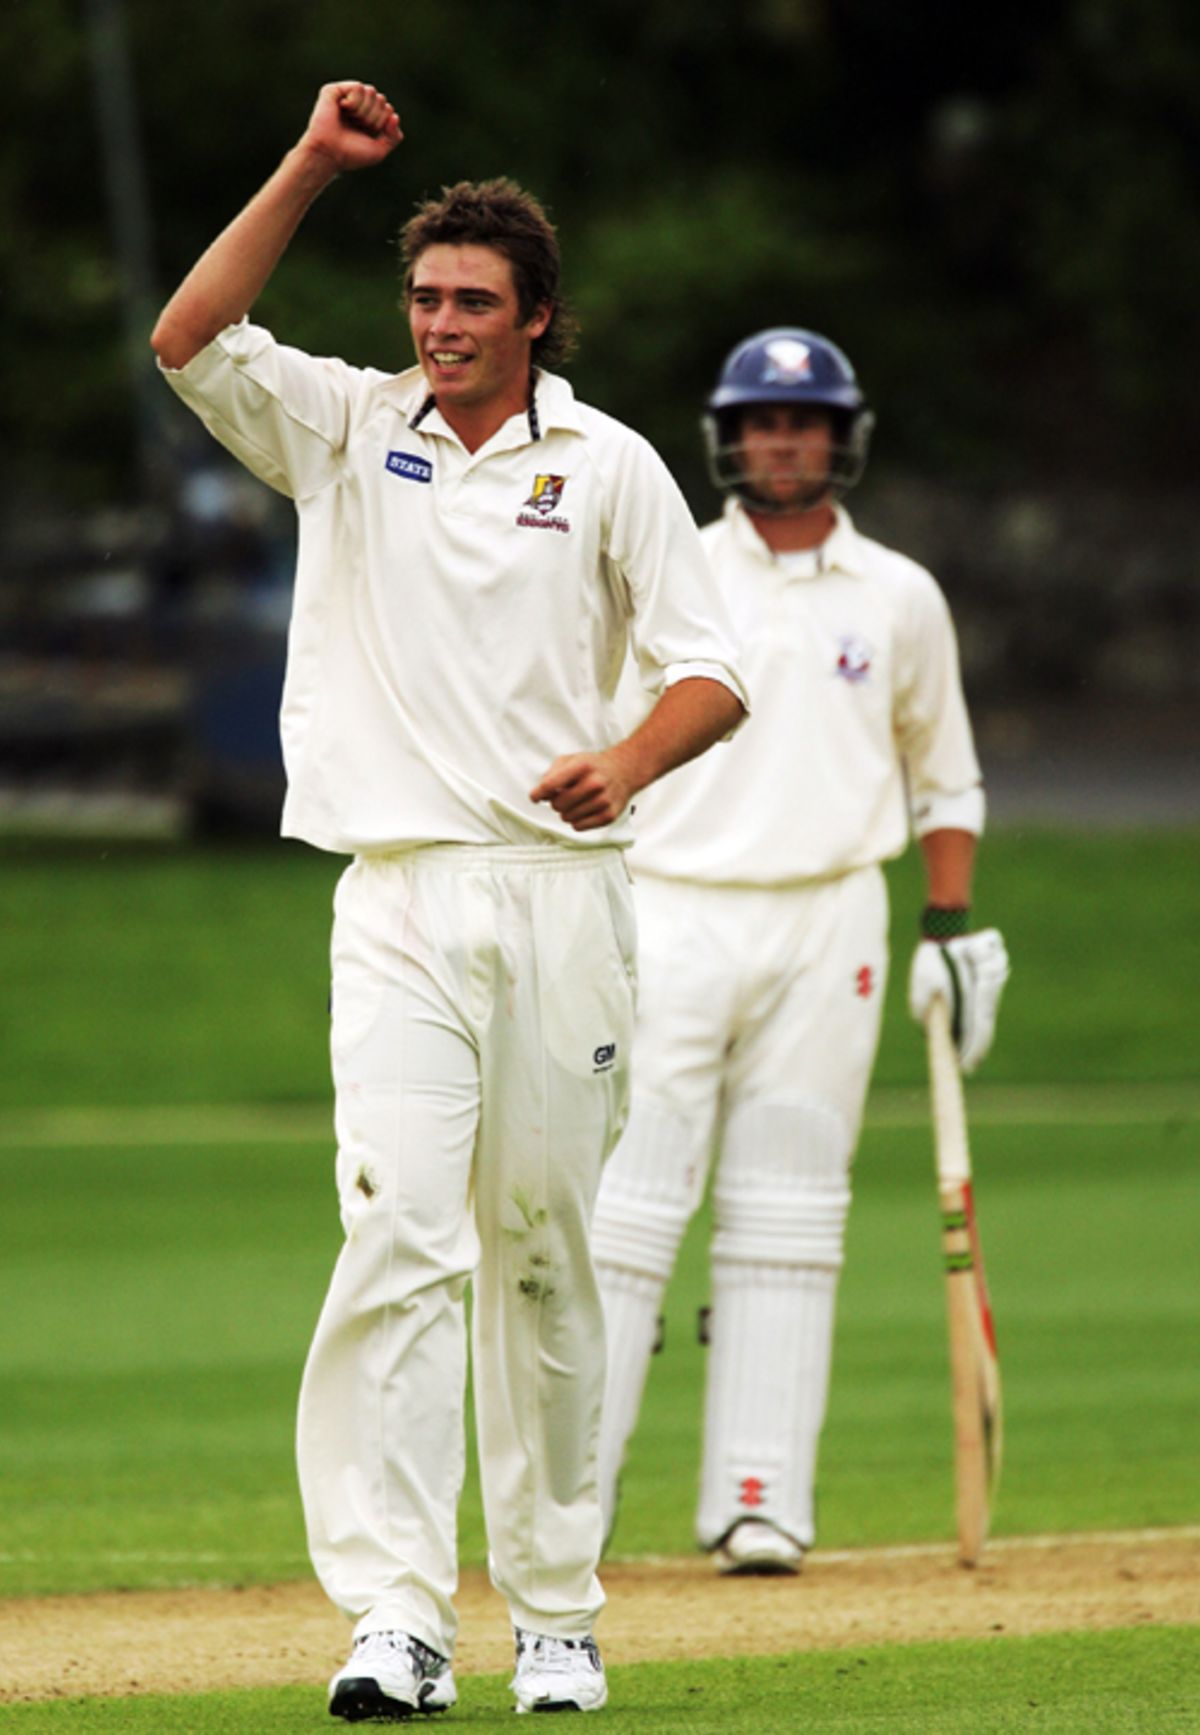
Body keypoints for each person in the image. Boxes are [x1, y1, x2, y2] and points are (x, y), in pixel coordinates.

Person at [151, 81, 748, 1718]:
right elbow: (190, 338)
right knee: (398, 1238)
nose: (442, 326)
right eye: (424, 298)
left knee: (542, 1256)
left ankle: (554, 1611)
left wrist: (626, 763)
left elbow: (714, 673)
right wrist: (311, 167)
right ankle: (397, 1619)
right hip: (399, 894)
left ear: (537, 318)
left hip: (563, 899)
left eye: (475, 302)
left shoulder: (613, 469)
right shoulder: (350, 427)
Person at [590, 327, 1009, 1574]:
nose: (783, 440)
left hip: (831, 920)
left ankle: (758, 1497)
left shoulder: (899, 596)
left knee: (788, 1216)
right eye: (765, 421)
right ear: (731, 436)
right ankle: (572, 1508)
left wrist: (949, 925)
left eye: (806, 422)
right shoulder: (669, 573)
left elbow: (946, 777)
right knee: (622, 1218)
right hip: (669, 906)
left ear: (841, 437)